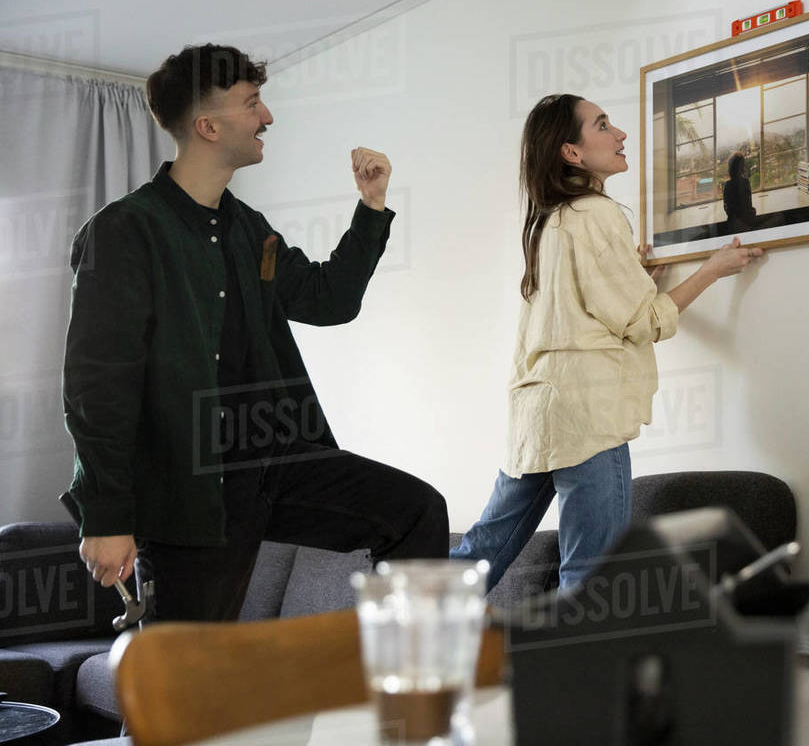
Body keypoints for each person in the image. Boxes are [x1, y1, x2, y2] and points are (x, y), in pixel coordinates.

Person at [64, 44, 448, 622]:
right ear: (208, 126)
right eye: (252, 103)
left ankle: (412, 667)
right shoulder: (124, 231)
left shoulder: (249, 229)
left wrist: (371, 208)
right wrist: (106, 516)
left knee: (417, 512)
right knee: (189, 671)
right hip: (189, 487)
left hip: (277, 461)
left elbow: (328, 300)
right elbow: (97, 386)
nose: (266, 116)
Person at [450, 93, 763, 592]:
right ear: (572, 153)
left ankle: (396, 628)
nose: (620, 134)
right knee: (591, 576)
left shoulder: (549, 220)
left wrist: (635, 279)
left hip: (538, 413)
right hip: (587, 414)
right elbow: (645, 322)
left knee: (479, 554)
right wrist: (712, 269)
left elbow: (585, 309)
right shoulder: (596, 213)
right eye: (602, 125)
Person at [722, 152, 756, 234]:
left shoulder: (728, 185)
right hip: (746, 222)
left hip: (734, 224)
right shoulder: (746, 182)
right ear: (742, 167)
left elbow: (727, 207)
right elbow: (748, 203)